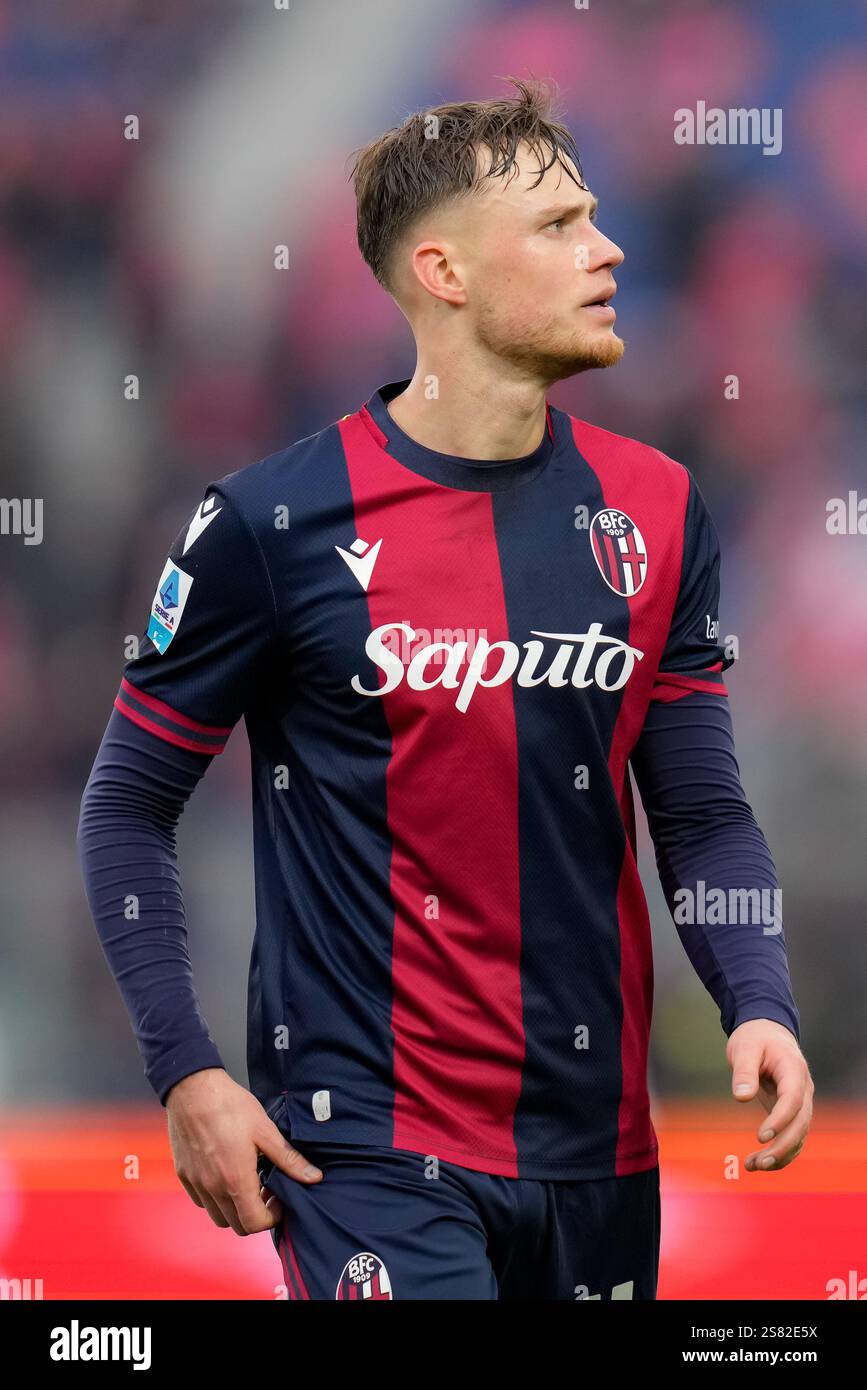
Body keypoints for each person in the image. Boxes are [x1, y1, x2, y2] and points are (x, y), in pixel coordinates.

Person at [79, 78, 813, 1301]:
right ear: (445, 272)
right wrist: (188, 1069)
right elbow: (124, 805)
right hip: (367, 1143)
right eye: (561, 224)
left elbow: (699, 812)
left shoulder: (660, 511)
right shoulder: (269, 523)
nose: (608, 244)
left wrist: (758, 996)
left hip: (598, 1150)